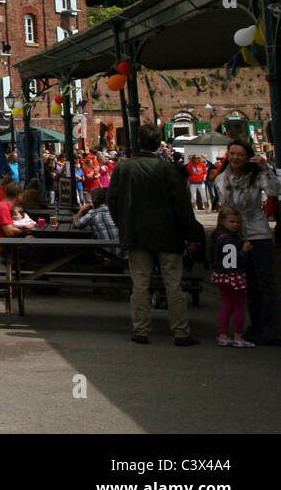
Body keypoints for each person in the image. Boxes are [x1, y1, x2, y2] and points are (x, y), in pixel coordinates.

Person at [109, 122, 203, 346]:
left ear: (139, 142)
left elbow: (112, 199)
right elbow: (182, 205)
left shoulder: (124, 168)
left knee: (140, 283)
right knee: (173, 283)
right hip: (168, 234)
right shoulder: (168, 169)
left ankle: (141, 329)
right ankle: (181, 331)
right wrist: (192, 235)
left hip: (137, 234)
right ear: (159, 143)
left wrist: (123, 224)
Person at [213, 139, 281, 344]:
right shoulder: (224, 178)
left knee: (266, 283)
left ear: (247, 156)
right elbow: (224, 204)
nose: (235, 158)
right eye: (232, 154)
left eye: (240, 154)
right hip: (236, 237)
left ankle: (273, 329)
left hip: (258, 233)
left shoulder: (257, 175)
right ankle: (256, 326)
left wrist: (265, 168)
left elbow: (274, 191)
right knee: (246, 283)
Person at [211, 206, 252, 348]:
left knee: (227, 306)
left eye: (237, 222)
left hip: (221, 275)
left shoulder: (217, 237)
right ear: (223, 222)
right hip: (234, 276)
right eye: (232, 222)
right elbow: (234, 261)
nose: (235, 225)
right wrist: (244, 251)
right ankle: (238, 336)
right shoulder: (230, 241)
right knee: (239, 307)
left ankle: (223, 335)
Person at [73, 186, 122, 256]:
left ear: (92, 199)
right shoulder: (114, 211)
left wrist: (82, 210)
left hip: (106, 257)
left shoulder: (92, 213)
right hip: (123, 255)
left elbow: (75, 224)